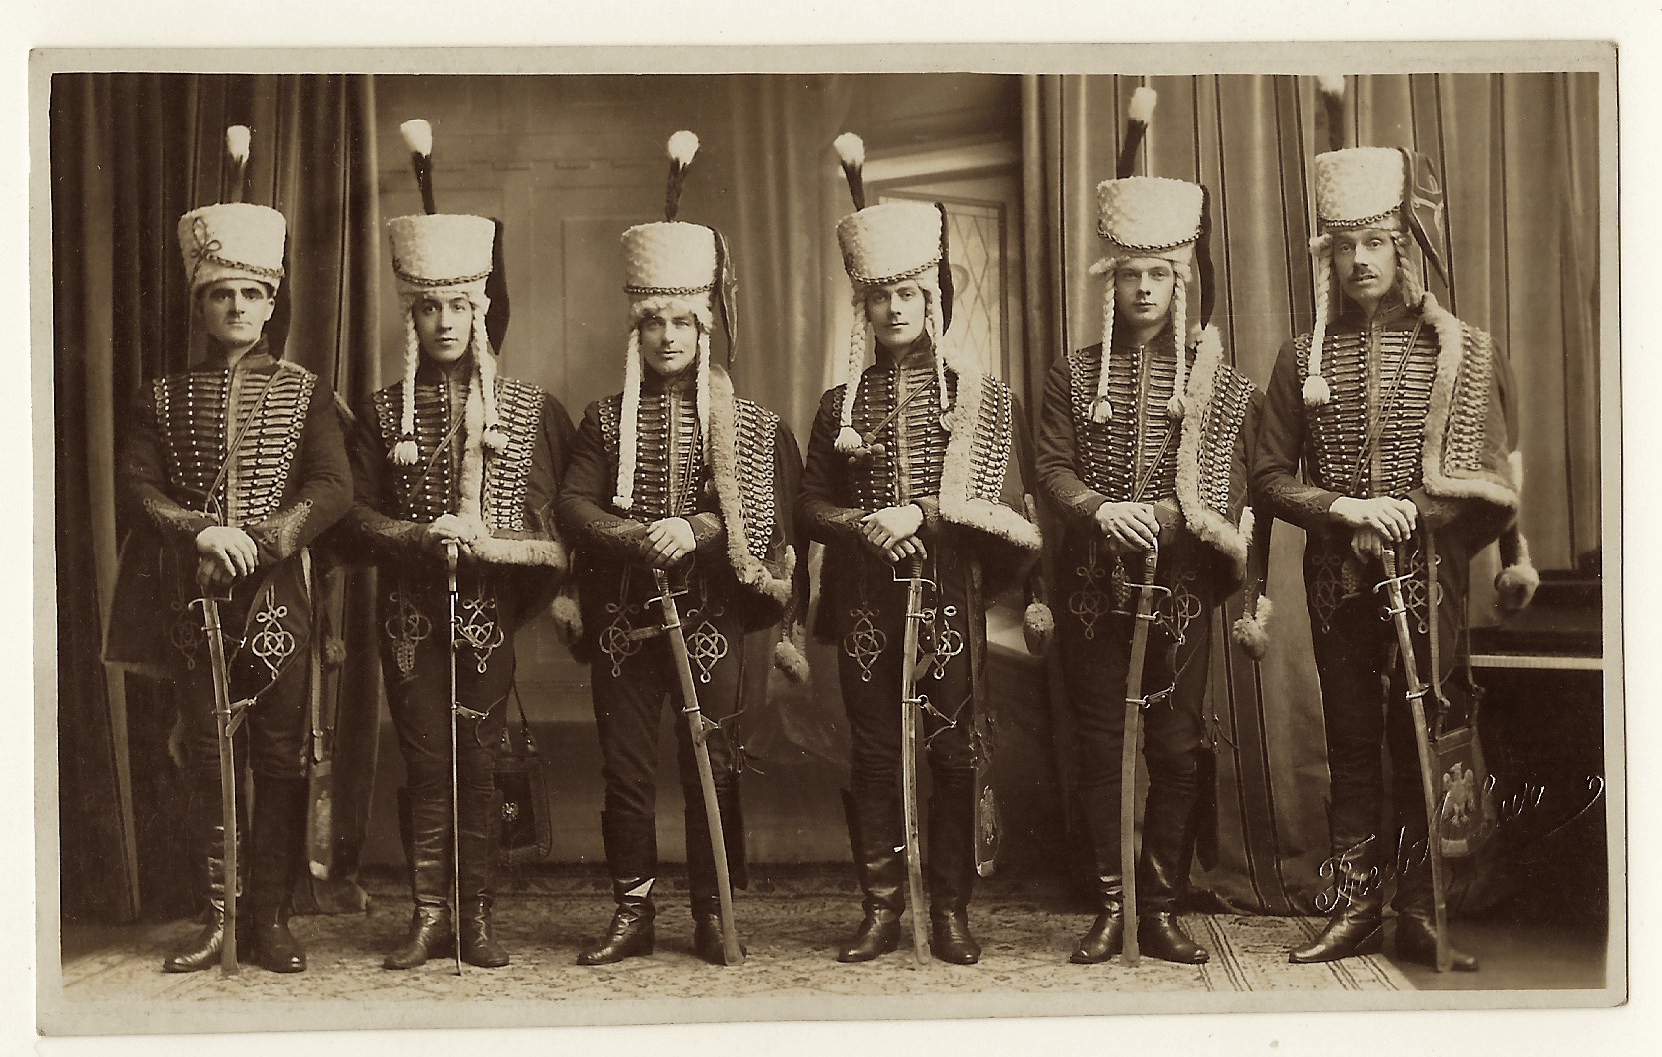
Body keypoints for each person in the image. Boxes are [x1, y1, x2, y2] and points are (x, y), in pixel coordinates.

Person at [1253, 141, 1535, 971]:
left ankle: (1418, 907)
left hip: (1429, 574)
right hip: (1336, 579)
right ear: (1327, 256)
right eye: (1344, 246)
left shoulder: (1462, 349)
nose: (1359, 261)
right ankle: (1354, 905)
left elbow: (1483, 472)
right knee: (1349, 739)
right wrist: (1343, 507)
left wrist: (1407, 510)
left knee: (1426, 733)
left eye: (1374, 243)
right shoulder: (1299, 356)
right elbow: (1268, 476)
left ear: (1403, 248)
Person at [106, 126, 352, 973]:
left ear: (272, 301)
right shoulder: (162, 395)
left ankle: (270, 915)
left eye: (252, 293)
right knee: (208, 751)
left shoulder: (306, 392)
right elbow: (137, 489)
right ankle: (217, 915)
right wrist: (200, 528)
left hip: (278, 597)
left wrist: (270, 537)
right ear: (200, 304)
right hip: (194, 594)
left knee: (280, 753)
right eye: (222, 295)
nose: (239, 308)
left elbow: (332, 487)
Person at [797, 132, 1047, 966]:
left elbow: (1002, 510)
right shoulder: (839, 405)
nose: (896, 308)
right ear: (863, 305)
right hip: (869, 605)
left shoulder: (982, 397)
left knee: (950, 751)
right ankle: (878, 908)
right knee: (872, 752)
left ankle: (949, 910)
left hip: (948, 600)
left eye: (910, 291)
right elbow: (809, 503)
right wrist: (861, 525)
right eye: (881, 296)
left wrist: (923, 518)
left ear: (932, 294)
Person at [558, 131, 806, 966]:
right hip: (626, 621)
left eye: (683, 321)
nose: (668, 336)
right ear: (637, 327)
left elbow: (770, 515)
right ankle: (633, 914)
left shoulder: (756, 422)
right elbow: (571, 502)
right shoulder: (602, 418)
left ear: (707, 326)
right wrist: (638, 537)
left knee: (715, 764)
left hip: (714, 619)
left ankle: (712, 909)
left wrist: (698, 529)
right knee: (625, 771)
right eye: (654, 321)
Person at [1035, 88, 1264, 966]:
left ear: (1180, 278)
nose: (1142, 289)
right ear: (1111, 280)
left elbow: (1234, 476)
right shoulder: (1072, 371)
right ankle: (1108, 904)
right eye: (1129, 275)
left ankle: (1160, 906)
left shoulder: (1219, 378)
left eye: (1158, 274)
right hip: (1092, 590)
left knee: (1175, 745)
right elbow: (1049, 466)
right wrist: (1101, 510)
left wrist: (1168, 513)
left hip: (1180, 592)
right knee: (1100, 748)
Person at [339, 120, 574, 970]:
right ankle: (427, 913)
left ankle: (478, 917)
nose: (444, 321)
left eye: (459, 306)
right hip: (406, 617)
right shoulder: (379, 411)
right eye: (429, 307)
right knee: (424, 755)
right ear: (414, 313)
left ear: (482, 309)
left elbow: (551, 531)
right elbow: (351, 516)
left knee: (478, 756)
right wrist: (416, 533)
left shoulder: (529, 407)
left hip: (484, 616)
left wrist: (489, 550)